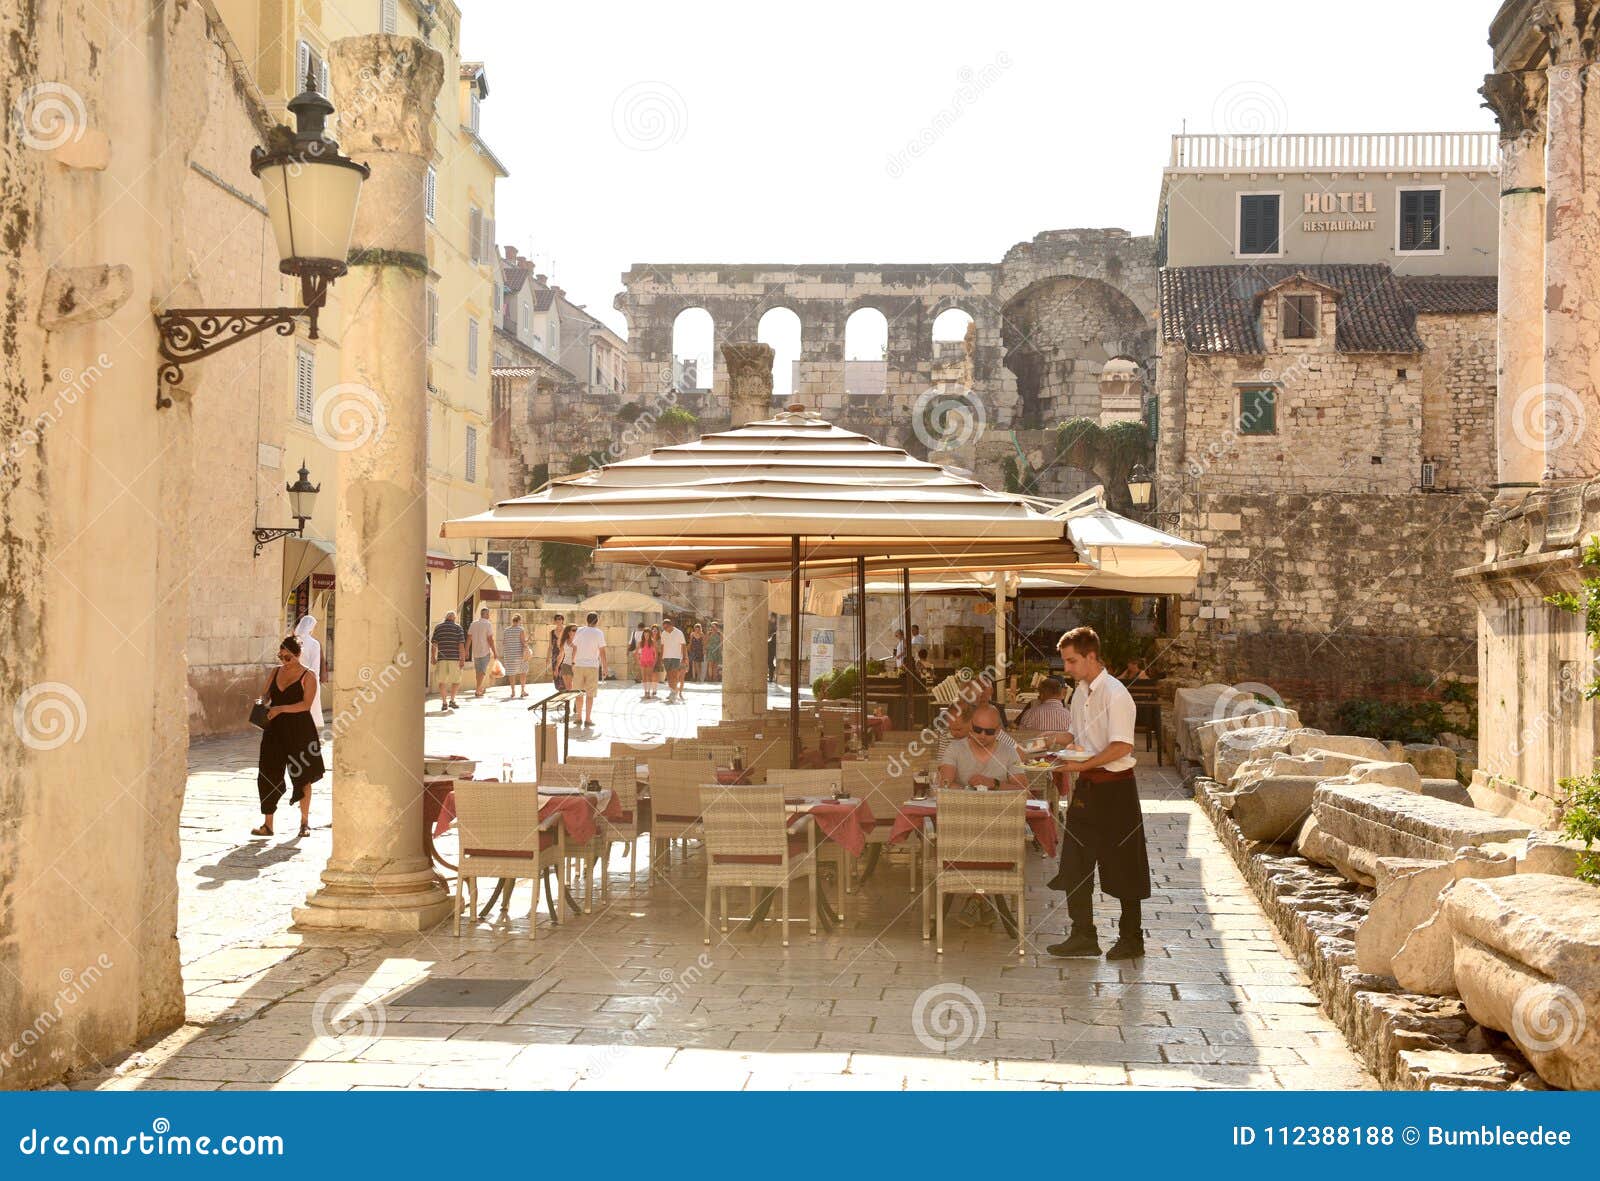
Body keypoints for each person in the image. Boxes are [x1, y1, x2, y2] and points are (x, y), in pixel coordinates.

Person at [1047, 625, 1150, 961]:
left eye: (1072, 661)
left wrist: (1082, 764)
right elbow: (1077, 736)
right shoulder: (1079, 692)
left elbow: (1122, 746)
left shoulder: (1116, 694)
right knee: (1074, 863)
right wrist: (1049, 743)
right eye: (1065, 661)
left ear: (1092, 656)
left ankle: (1132, 939)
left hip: (1117, 790)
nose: (1067, 668)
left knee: (1123, 864)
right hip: (1086, 789)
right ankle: (1083, 935)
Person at [254, 635, 325, 838]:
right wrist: (260, 703)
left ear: (298, 655)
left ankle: (304, 823)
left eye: (288, 658)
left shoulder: (308, 676)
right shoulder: (275, 672)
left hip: (300, 730)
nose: (283, 661)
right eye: (280, 656)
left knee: (303, 776)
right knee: (267, 773)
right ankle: (267, 825)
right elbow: (265, 695)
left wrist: (281, 708)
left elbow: (305, 705)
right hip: (274, 731)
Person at [938, 703, 1026, 790]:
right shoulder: (953, 747)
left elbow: (1024, 790)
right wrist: (971, 791)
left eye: (989, 731)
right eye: (978, 730)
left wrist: (994, 784)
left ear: (998, 730)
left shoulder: (1008, 749)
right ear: (971, 725)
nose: (982, 735)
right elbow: (944, 784)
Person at [571, 611, 608, 727]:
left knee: (578, 693)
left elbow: (574, 648)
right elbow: (602, 652)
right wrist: (605, 667)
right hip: (592, 666)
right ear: (597, 621)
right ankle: (588, 718)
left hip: (578, 665)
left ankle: (578, 718)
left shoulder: (579, 630)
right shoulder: (599, 633)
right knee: (590, 694)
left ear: (587, 620)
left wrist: (573, 662)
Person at [292, 614, 324, 732]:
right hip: (308, 678)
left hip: (293, 677)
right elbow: (315, 666)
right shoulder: (314, 644)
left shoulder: (294, 641)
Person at [430, 610, 466, 711]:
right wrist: (462, 659)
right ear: (454, 618)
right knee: (457, 680)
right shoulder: (458, 628)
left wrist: (433, 656)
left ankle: (444, 702)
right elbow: (461, 645)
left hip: (442, 658)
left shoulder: (438, 627)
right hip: (454, 658)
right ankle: (452, 700)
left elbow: (434, 644)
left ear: (446, 617)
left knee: (442, 681)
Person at [468, 606, 497, 698]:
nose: (489, 615)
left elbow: (469, 637)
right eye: (488, 614)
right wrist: (495, 651)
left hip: (475, 651)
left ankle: (479, 688)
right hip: (484, 651)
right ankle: (477, 690)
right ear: (485, 614)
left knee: (478, 672)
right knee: (483, 671)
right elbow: (490, 639)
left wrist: (466, 650)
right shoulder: (488, 624)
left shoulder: (473, 624)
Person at [501, 613, 529, 700]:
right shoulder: (520, 629)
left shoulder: (506, 630)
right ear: (519, 621)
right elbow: (523, 642)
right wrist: (528, 641)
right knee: (523, 672)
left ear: (512, 621)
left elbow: (504, 643)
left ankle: (513, 692)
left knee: (511, 673)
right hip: (519, 654)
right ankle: (522, 691)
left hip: (509, 655)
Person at [659, 617, 687, 703]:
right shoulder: (663, 633)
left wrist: (684, 657)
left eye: (666, 627)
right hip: (666, 657)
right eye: (664, 628)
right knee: (669, 676)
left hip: (676, 657)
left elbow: (683, 645)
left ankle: (674, 693)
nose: (665, 629)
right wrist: (661, 657)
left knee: (674, 675)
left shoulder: (679, 633)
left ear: (671, 625)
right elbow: (662, 646)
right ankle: (672, 691)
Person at [637, 626, 659, 698]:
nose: (646, 636)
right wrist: (639, 661)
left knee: (649, 677)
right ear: (643, 635)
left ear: (650, 635)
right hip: (643, 662)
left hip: (650, 662)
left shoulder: (653, 642)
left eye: (648, 635)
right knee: (643, 678)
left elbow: (656, 654)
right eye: (645, 635)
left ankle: (648, 692)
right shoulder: (640, 643)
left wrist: (654, 663)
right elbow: (637, 653)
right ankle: (645, 692)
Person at [555, 623, 577, 691]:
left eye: (577, 630)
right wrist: (556, 667)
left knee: (573, 686)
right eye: (574, 630)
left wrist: (575, 648)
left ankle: (576, 701)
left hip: (575, 665)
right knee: (568, 687)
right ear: (568, 632)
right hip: (565, 665)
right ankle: (570, 701)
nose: (576, 631)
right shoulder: (564, 642)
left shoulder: (579, 641)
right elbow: (561, 655)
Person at [546, 612, 566, 683]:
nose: (558, 621)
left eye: (560, 619)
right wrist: (547, 658)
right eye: (556, 619)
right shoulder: (552, 632)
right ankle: (560, 689)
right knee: (556, 672)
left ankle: (566, 688)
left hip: (565, 655)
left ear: (562, 620)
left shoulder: (566, 631)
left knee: (564, 672)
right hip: (555, 655)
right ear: (554, 621)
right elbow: (550, 646)